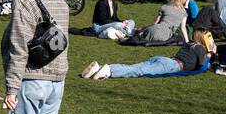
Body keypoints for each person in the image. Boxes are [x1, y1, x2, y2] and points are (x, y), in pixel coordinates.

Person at [80, 31, 210, 79]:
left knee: (135, 67)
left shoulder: (188, 45)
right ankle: (109, 70)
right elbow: (201, 67)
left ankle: (98, 68)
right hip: (173, 65)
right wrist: (209, 54)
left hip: (165, 60)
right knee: (138, 71)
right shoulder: (200, 49)